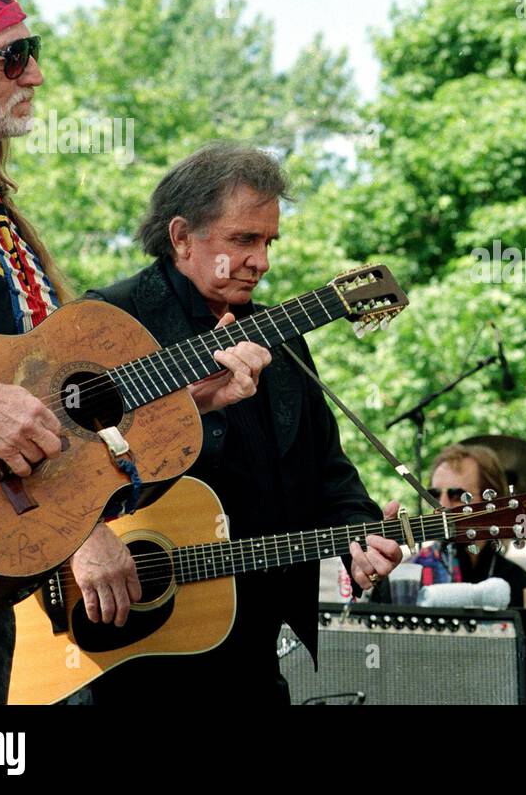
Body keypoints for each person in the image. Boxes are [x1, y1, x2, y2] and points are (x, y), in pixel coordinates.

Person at [0, 0, 268, 704]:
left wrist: (179, 396)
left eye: (33, 52)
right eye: (11, 56)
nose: (35, 75)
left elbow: (38, 399)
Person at [84, 142, 402, 705]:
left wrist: (361, 533)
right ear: (182, 237)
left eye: (268, 242)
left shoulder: (282, 337)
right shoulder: (110, 320)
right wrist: (86, 539)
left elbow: (328, 470)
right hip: (130, 644)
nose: (262, 261)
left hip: (253, 644)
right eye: (243, 240)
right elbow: (52, 460)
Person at [410, 442, 526, 610]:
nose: (441, 506)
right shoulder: (410, 577)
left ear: (492, 503)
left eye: (457, 495)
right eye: (435, 495)